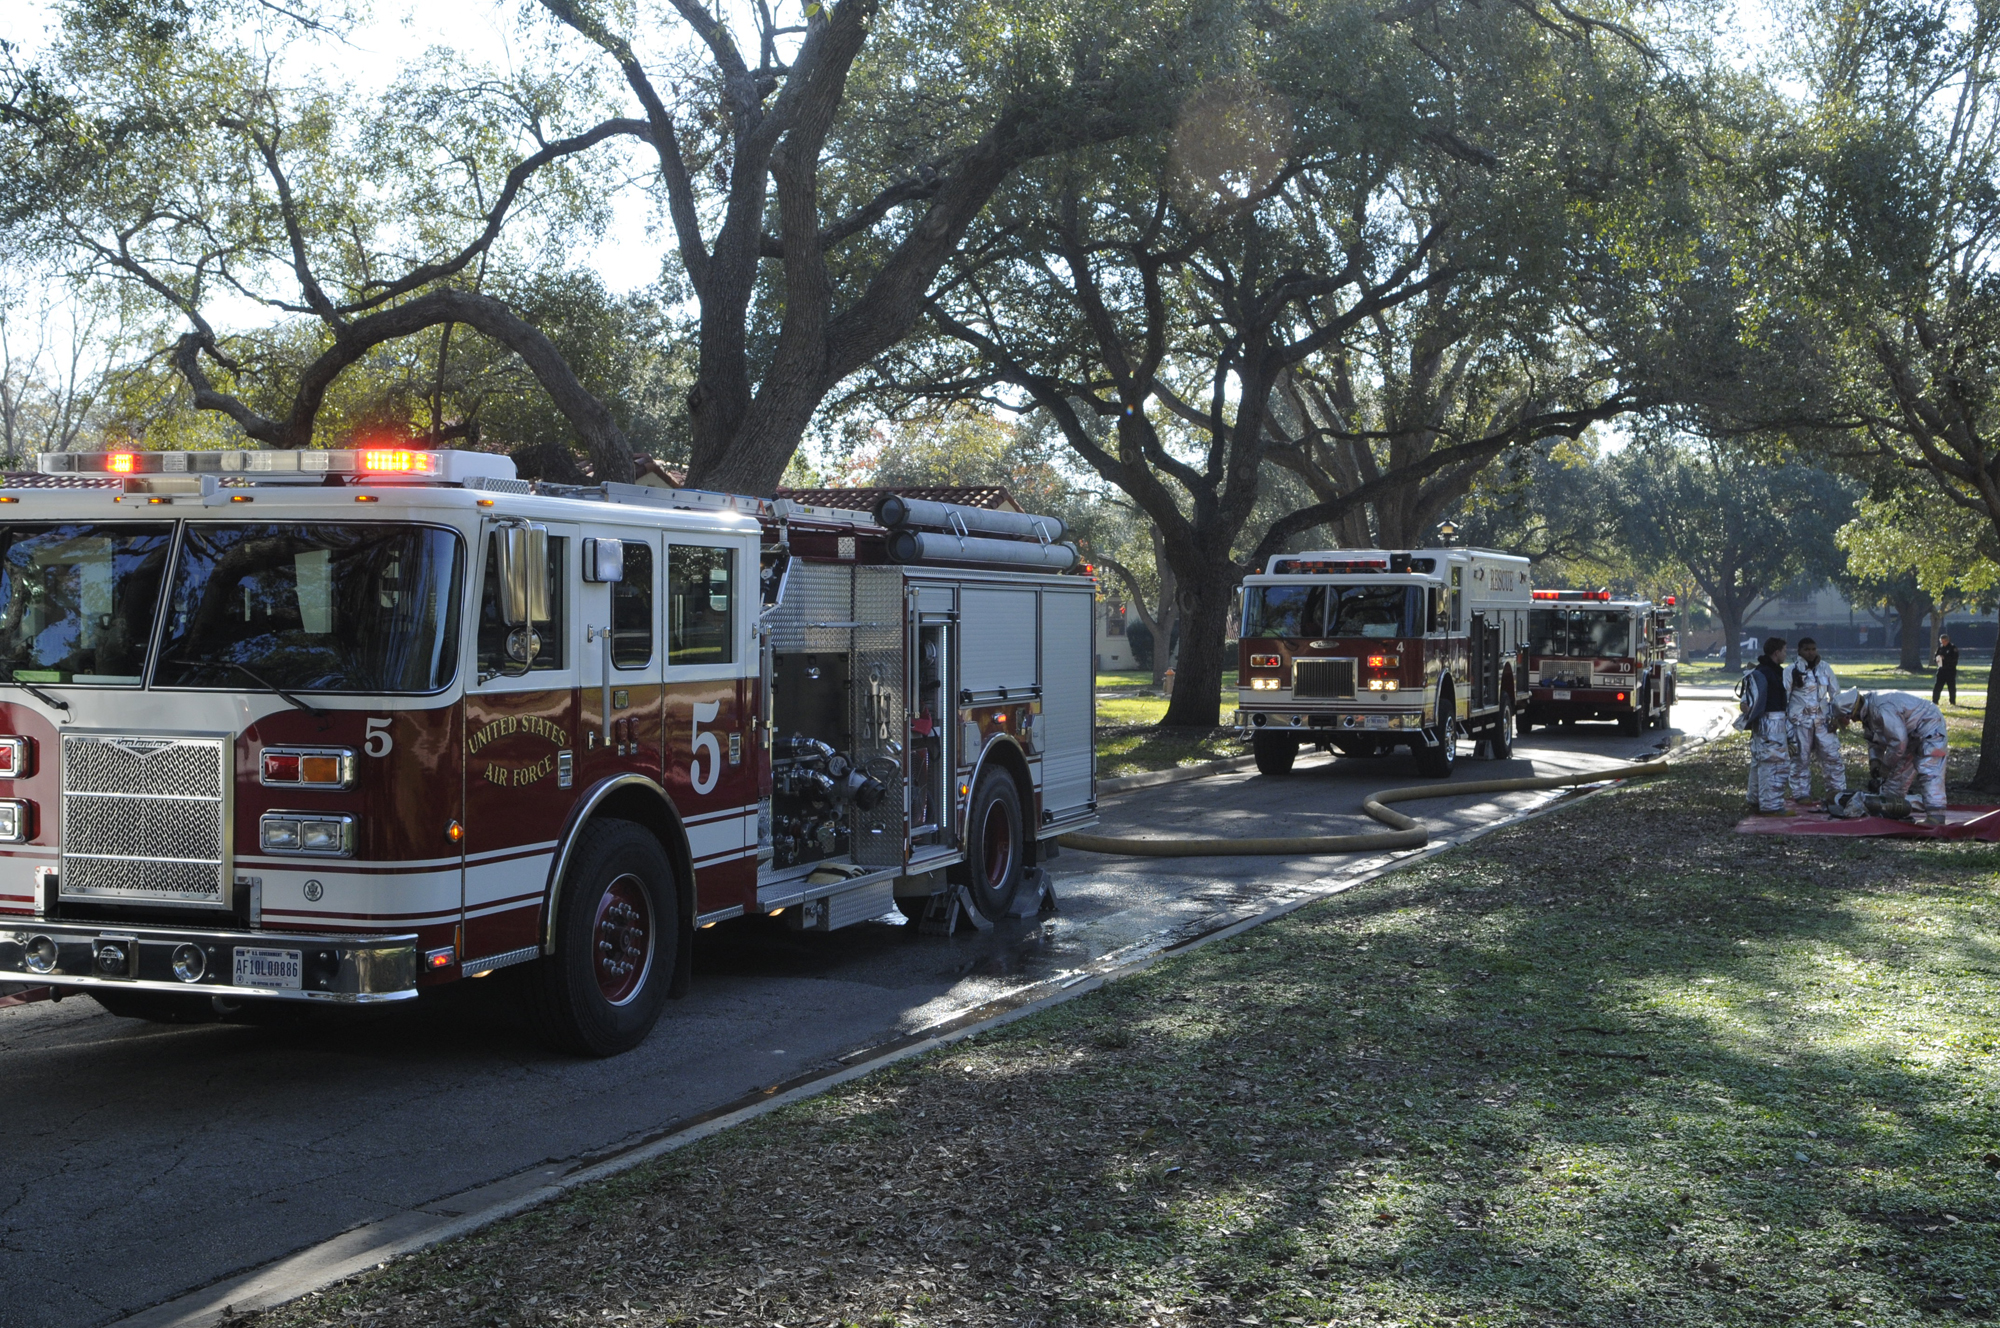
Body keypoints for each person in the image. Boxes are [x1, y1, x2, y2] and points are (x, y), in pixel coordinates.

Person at [1834, 688, 1949, 825]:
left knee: (1929, 769)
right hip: (1909, 734)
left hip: (1929, 727)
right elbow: (1875, 739)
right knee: (1897, 776)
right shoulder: (1870, 710)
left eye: (1850, 718)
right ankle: (1892, 809)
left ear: (1851, 712)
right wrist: (1875, 760)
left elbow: (1898, 742)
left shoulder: (1882, 708)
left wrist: (1886, 766)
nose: (1853, 721)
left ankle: (1936, 816)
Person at [1786, 637, 1846, 804]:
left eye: (1813, 649)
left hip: (1823, 722)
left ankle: (1836, 793)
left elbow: (1836, 695)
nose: (1810, 652)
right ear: (1799, 651)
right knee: (1800, 759)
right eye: (1806, 649)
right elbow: (1784, 699)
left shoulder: (1825, 668)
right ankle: (1801, 794)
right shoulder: (1791, 671)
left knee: (1832, 757)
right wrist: (1786, 727)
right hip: (1800, 722)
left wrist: (1837, 717)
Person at [1736, 636, 1792, 814]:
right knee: (1774, 764)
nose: (1786, 654)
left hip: (1761, 724)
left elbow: (1748, 698)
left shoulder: (1758, 672)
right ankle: (1771, 805)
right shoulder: (1771, 674)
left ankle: (1755, 798)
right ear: (1776, 653)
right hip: (1772, 723)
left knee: (1759, 761)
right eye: (1784, 651)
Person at [1933, 632, 1960, 706]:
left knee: (1951, 687)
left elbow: (1954, 658)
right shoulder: (1940, 648)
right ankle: (1935, 701)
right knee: (1937, 686)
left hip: (1950, 670)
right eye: (1941, 641)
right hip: (1941, 670)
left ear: (1947, 640)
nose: (1943, 643)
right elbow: (1935, 657)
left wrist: (1945, 658)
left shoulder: (1952, 648)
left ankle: (1952, 701)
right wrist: (1937, 659)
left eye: (1944, 641)